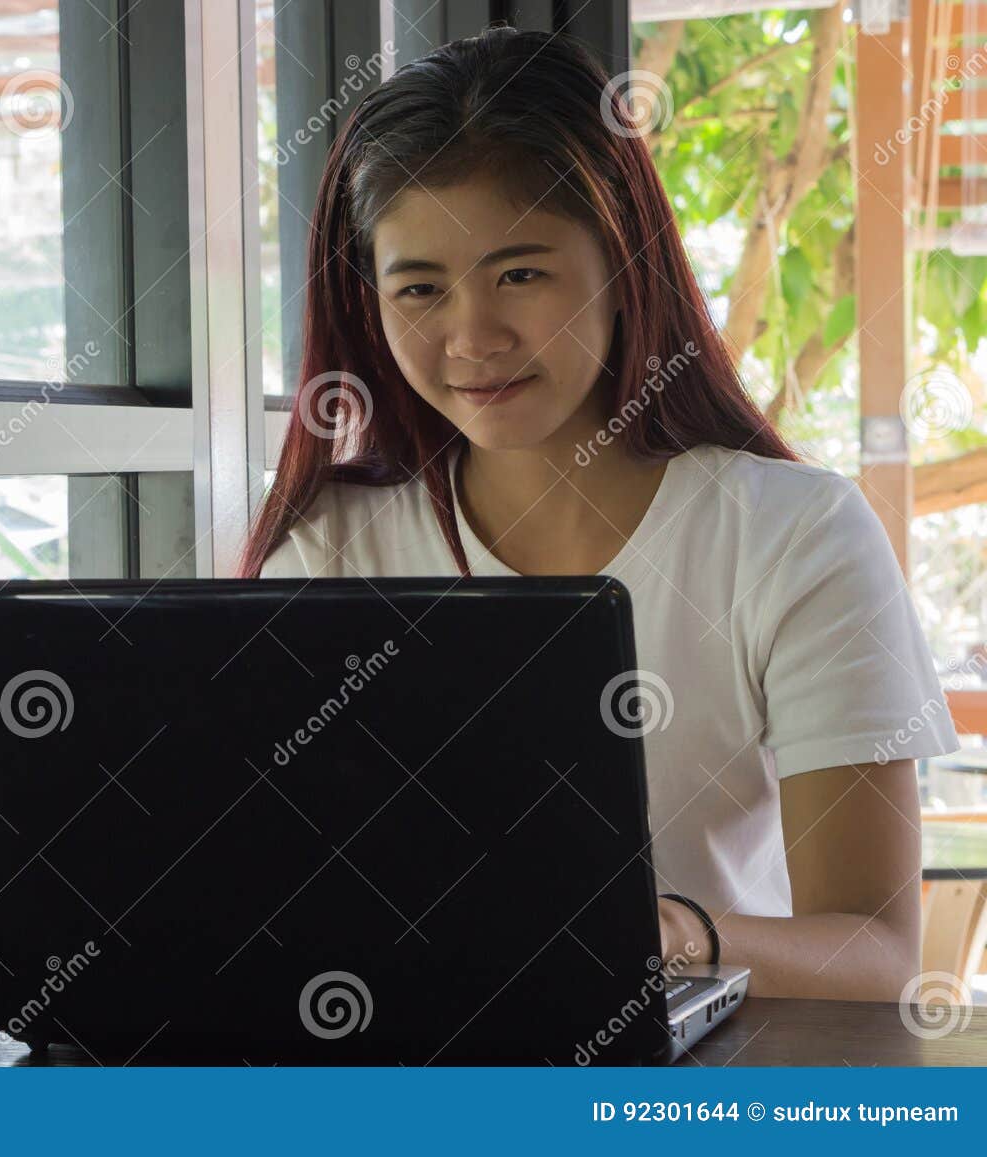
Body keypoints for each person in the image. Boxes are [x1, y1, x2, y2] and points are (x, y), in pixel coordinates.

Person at [241, 27, 959, 1001]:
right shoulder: (331, 544)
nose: (472, 335)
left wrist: (665, 932)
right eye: (418, 288)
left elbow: (877, 955)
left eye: (520, 273)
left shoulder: (794, 535)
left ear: (623, 259)